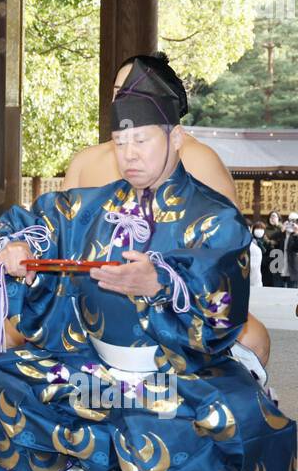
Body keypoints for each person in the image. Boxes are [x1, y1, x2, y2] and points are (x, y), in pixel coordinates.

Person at [0, 59, 296, 471]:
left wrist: (163, 283)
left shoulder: (212, 215)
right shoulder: (91, 204)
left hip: (174, 373)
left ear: (175, 139)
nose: (130, 154)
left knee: (233, 419)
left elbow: (224, 292)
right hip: (94, 365)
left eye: (142, 140)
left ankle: (108, 460)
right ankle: (112, 460)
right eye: (121, 143)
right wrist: (19, 254)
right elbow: (38, 224)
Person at [63, 52, 272, 375]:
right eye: (121, 91)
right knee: (16, 320)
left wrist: (163, 279)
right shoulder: (84, 161)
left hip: (173, 298)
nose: (128, 99)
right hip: (93, 292)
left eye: (139, 91)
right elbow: (63, 239)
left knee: (253, 338)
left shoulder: (198, 159)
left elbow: (225, 258)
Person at [261, 211, 284, 287]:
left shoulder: (282, 229)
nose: (272, 218)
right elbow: (264, 240)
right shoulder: (264, 229)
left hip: (279, 257)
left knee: (277, 280)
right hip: (267, 256)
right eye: (271, 217)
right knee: (267, 279)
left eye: (274, 216)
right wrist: (270, 242)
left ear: (278, 218)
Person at [249, 221, 267, 287]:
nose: (259, 231)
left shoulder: (267, 241)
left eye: (261, 229)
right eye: (257, 228)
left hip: (265, 269)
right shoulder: (251, 241)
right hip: (255, 273)